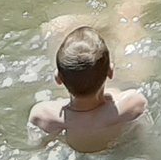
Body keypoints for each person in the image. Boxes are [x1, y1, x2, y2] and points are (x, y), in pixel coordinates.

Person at [28, 24, 147, 153]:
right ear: (111, 72)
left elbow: (37, 148)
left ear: (58, 78)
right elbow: (143, 139)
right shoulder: (133, 105)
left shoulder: (44, 116)